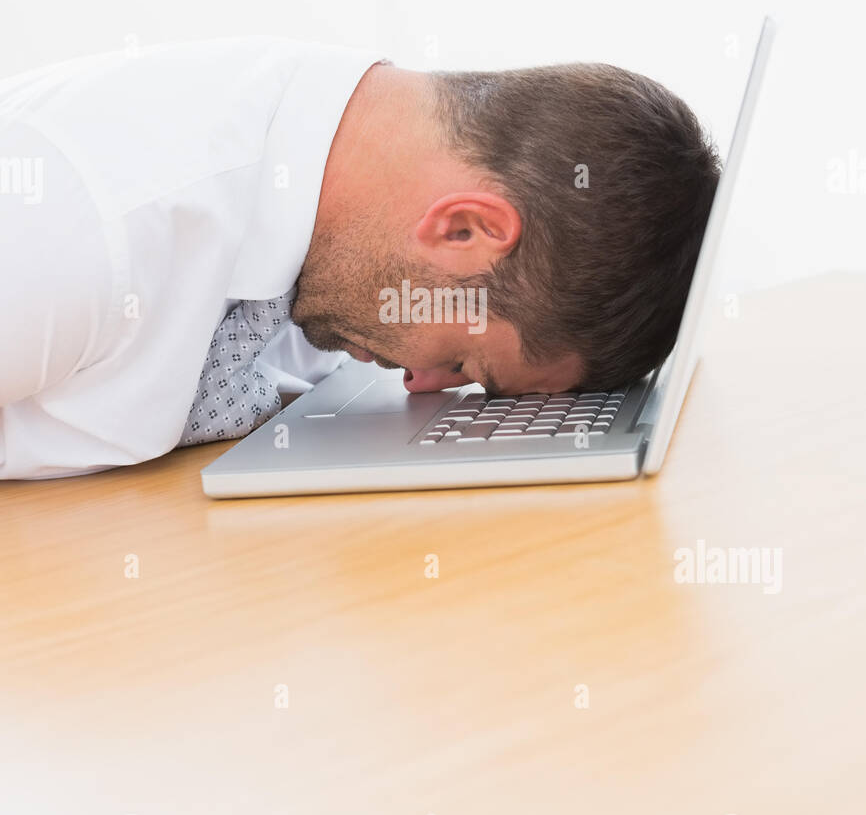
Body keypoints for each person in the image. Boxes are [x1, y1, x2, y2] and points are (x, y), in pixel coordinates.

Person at [0, 36, 719, 479]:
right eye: (467, 367)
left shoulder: (331, 202)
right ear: (463, 229)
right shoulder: (82, 227)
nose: (421, 384)